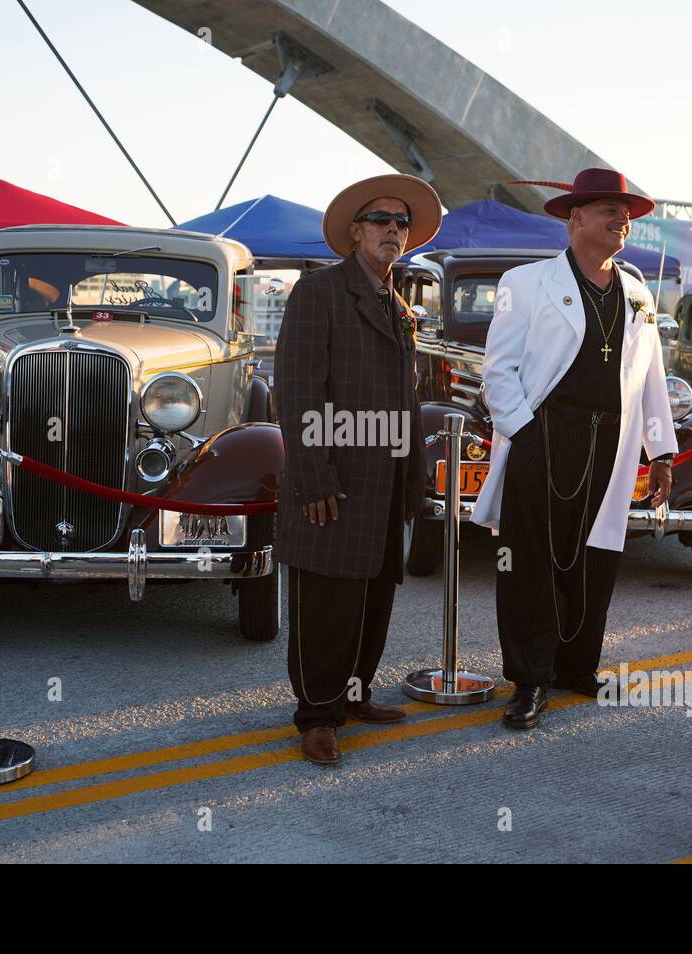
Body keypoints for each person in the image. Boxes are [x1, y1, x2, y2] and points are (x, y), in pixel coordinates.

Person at [471, 168, 677, 730]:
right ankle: (531, 677)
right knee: (530, 560)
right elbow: (500, 370)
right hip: (545, 430)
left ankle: (576, 667)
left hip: (612, 437)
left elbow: (652, 375)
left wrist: (660, 450)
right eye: (609, 209)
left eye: (626, 211)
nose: (622, 219)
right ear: (575, 218)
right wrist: (525, 431)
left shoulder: (637, 291)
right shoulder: (527, 282)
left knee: (597, 556)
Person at [273, 174, 440, 765]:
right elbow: (295, 391)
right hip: (334, 477)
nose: (393, 229)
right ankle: (317, 715)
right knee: (327, 601)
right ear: (354, 231)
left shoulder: (398, 304)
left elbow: (409, 399)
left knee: (372, 596)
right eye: (381, 220)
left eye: (401, 223)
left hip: (384, 477)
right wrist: (313, 477)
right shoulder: (318, 292)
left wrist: (414, 479)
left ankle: (354, 693)